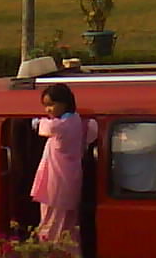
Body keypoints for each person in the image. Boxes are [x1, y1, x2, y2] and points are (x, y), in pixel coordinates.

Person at [31, 83, 95, 245]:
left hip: (55, 183)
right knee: (69, 227)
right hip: (70, 179)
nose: (48, 110)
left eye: (51, 105)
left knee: (51, 226)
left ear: (64, 103)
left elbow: (44, 127)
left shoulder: (59, 125)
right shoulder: (77, 120)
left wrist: (36, 122)